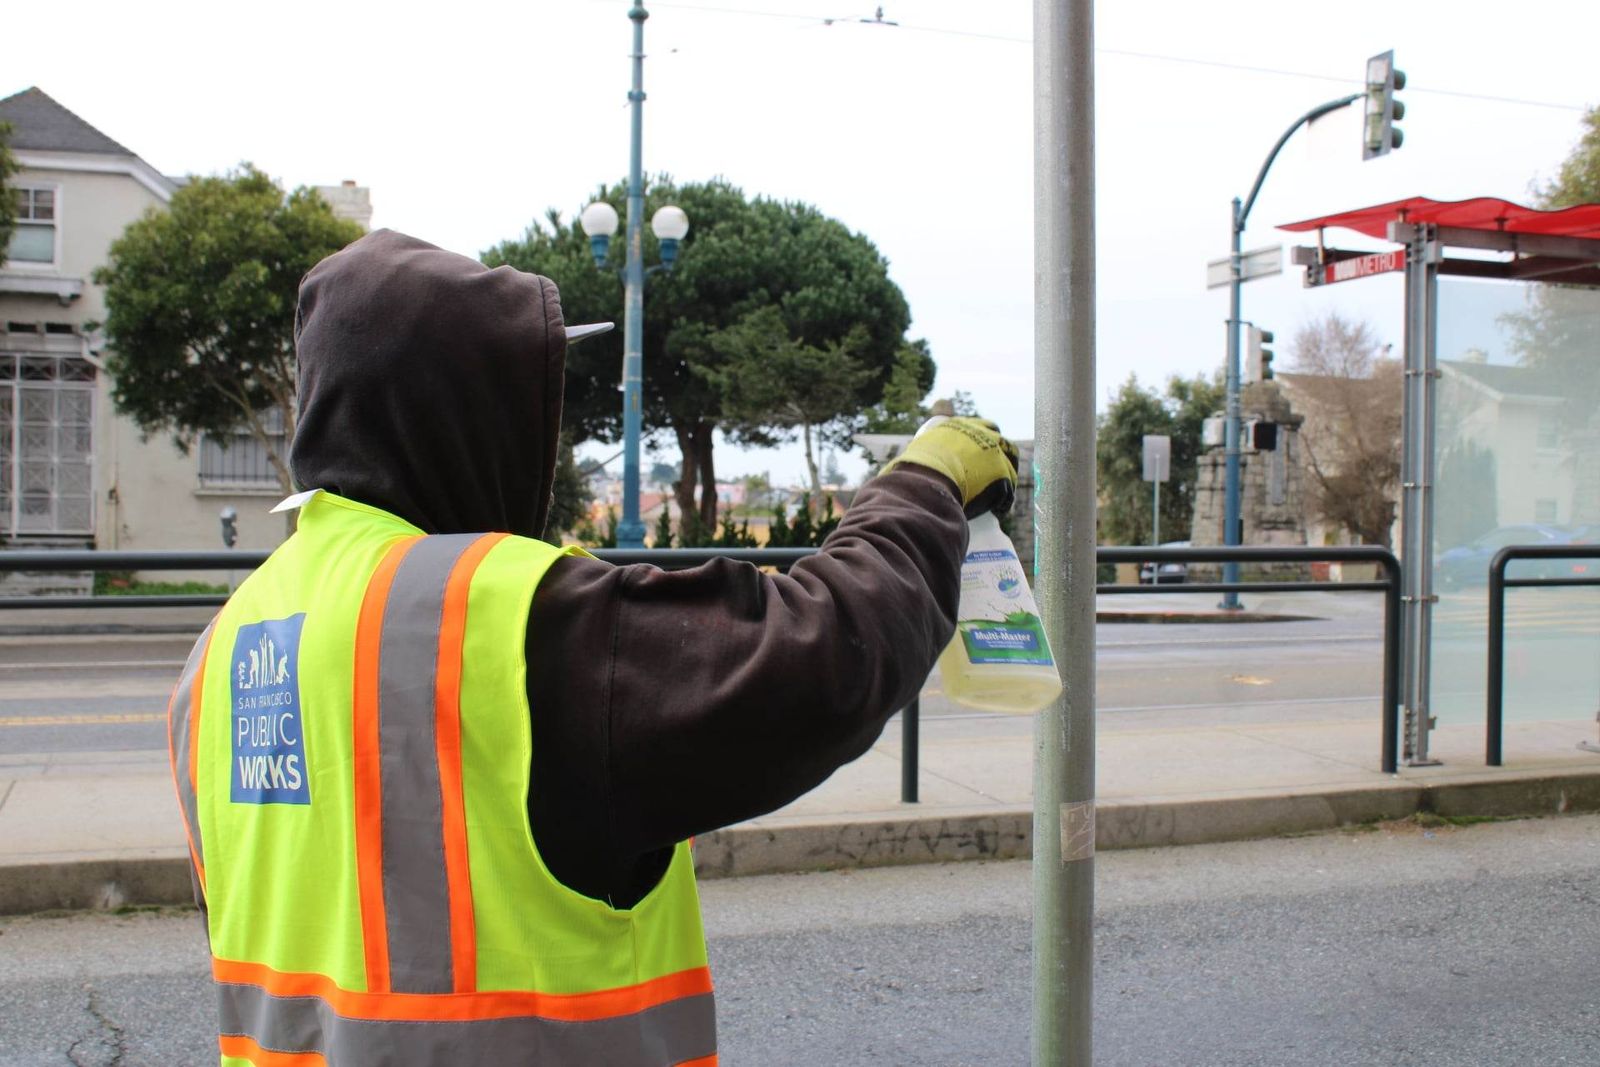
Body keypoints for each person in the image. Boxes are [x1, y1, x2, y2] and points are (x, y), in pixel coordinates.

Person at [167, 228, 1018, 1066]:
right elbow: (831, 652)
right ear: (465, 417)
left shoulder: (219, 654)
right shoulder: (503, 614)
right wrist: (923, 484)